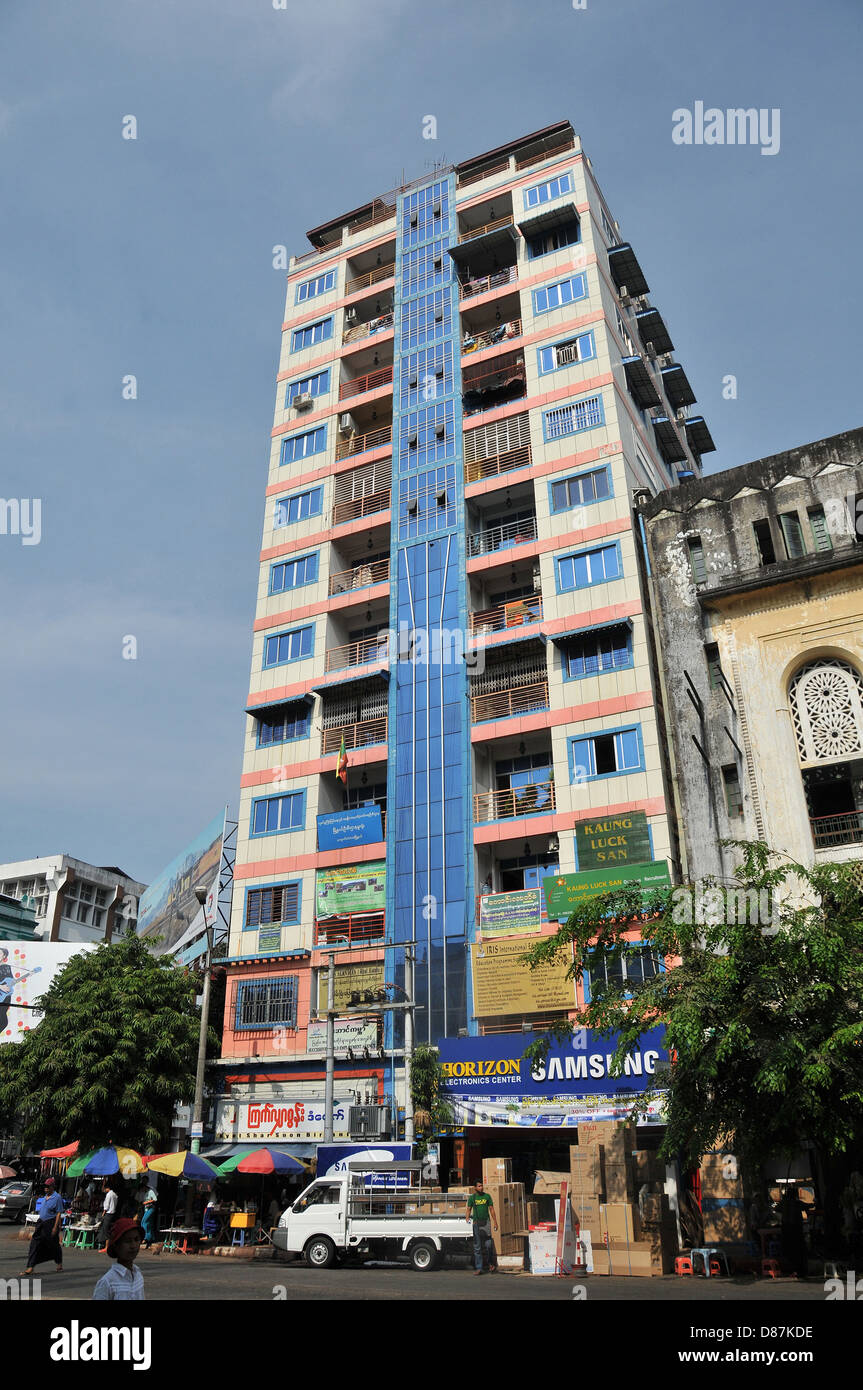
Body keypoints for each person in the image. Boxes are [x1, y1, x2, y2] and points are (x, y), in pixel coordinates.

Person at [92, 1218, 145, 1300]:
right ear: (116, 1246)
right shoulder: (108, 1282)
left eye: (136, 1240)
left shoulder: (138, 1274)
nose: (133, 1245)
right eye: (128, 1241)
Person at [22, 1176, 64, 1276]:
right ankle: (30, 1266)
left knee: (53, 1244)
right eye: (45, 1186)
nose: (46, 1188)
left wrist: (55, 1227)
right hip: (41, 1223)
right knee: (34, 1243)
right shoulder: (44, 1197)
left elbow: (58, 1213)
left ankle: (59, 1263)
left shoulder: (57, 1197)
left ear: (53, 1187)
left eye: (48, 1186)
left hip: (51, 1223)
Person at [465, 1180, 499, 1275]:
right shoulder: (472, 1198)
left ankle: (490, 1264)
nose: (481, 1187)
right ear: (475, 1188)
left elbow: (491, 1209)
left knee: (488, 1245)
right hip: (477, 1224)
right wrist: (467, 1218)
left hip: (486, 1223)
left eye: (482, 1186)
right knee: (477, 1247)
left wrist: (495, 1222)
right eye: (479, 1186)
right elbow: (468, 1209)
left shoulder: (487, 1196)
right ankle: (479, 1268)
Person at [97, 1181, 118, 1252]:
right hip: (113, 1213)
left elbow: (106, 1206)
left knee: (106, 1230)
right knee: (108, 1230)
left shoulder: (109, 1195)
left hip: (108, 1214)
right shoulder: (115, 1194)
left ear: (107, 1188)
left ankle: (106, 1247)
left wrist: (103, 1214)